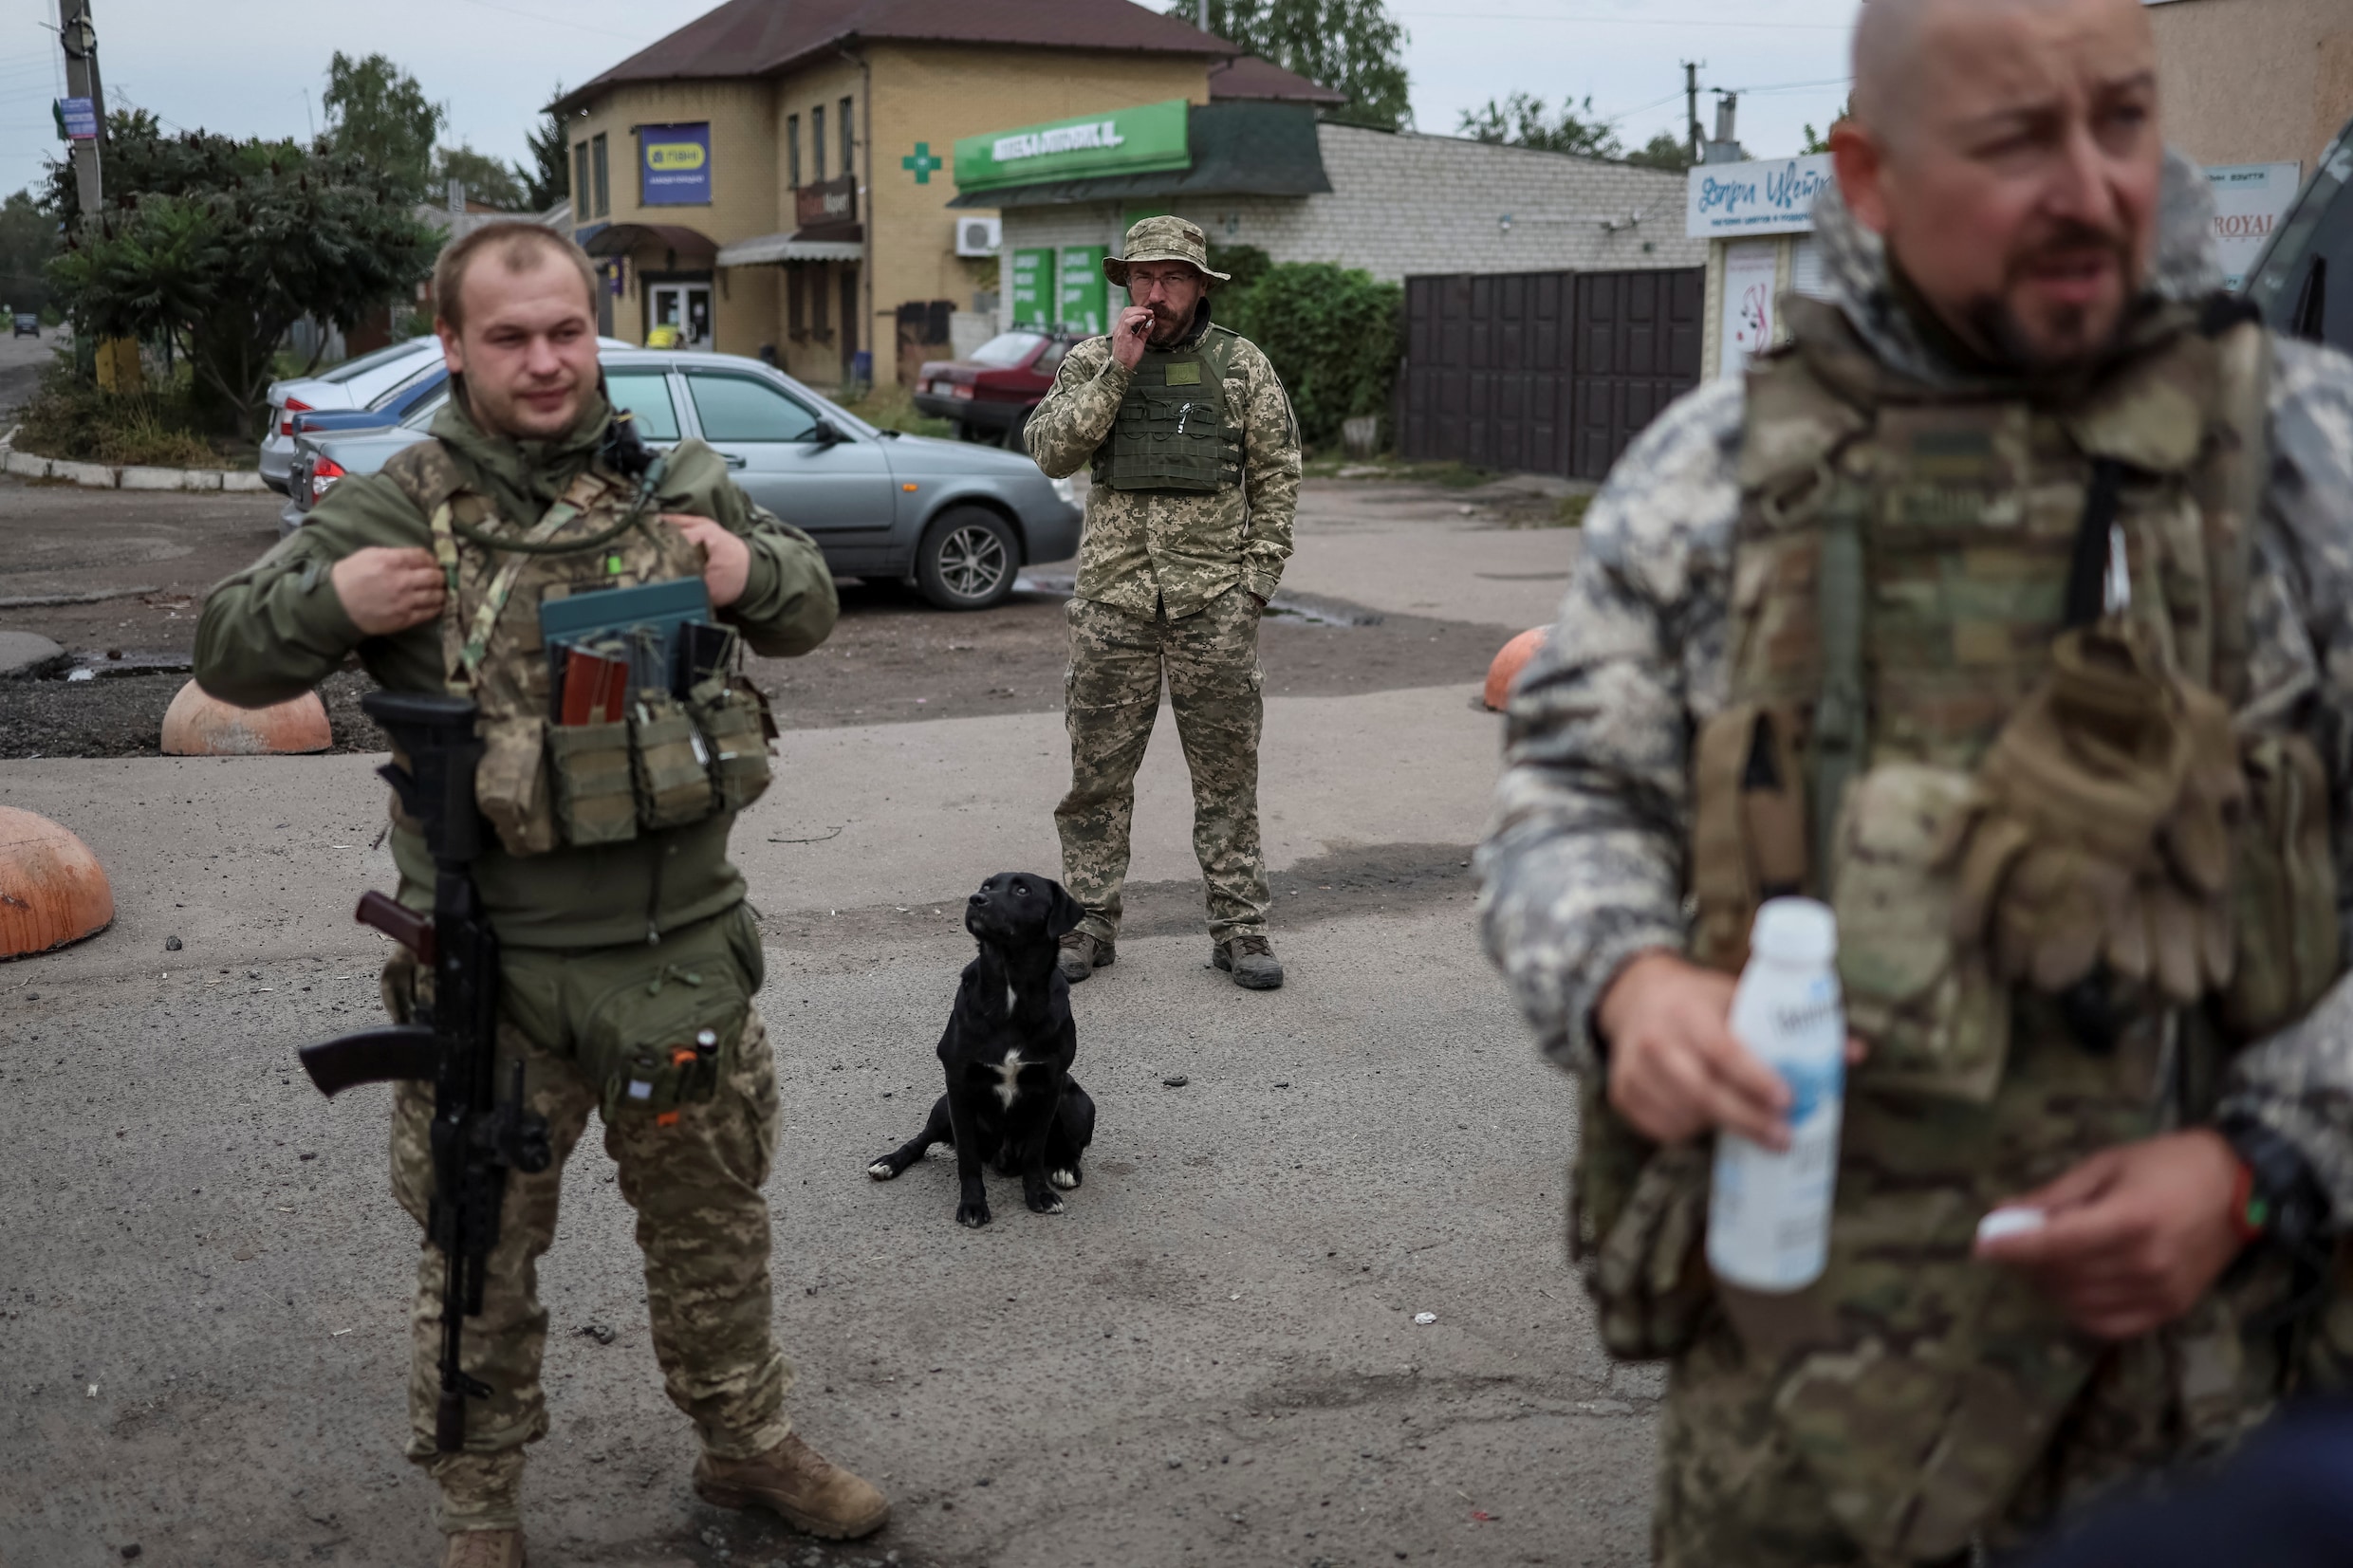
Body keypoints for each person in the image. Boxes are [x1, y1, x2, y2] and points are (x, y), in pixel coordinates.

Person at [1476, 0, 2353, 1561]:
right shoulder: (1712, 475)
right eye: (2018, 139)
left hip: (2223, 1440)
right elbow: (1569, 799)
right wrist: (1630, 982)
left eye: (2125, 120)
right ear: (1869, 178)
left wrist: (2260, 1161)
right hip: (1806, 1433)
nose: (2093, 187)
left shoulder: (2311, 464)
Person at [195, 223, 886, 1567]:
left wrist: (751, 573)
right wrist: (330, 596)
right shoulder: (402, 503)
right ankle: (480, 1514)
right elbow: (229, 656)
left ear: (596, 330)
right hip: (495, 975)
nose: (545, 359)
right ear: (449, 345)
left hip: (678, 953)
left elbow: (805, 609)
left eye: (566, 329)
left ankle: (746, 1449)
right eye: (508, 336)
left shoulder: (673, 481)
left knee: (715, 1226)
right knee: (480, 1260)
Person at [1024, 215, 1303, 991]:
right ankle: (1086, 923)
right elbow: (1051, 450)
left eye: (1173, 277)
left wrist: (1256, 582)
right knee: (1096, 776)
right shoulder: (1089, 360)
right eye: (1143, 277)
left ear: (1199, 285)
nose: (1156, 292)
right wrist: (1118, 370)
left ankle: (1240, 928)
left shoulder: (1241, 365)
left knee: (1226, 776)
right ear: (1126, 284)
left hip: (1213, 603)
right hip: (1113, 603)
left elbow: (1278, 472)